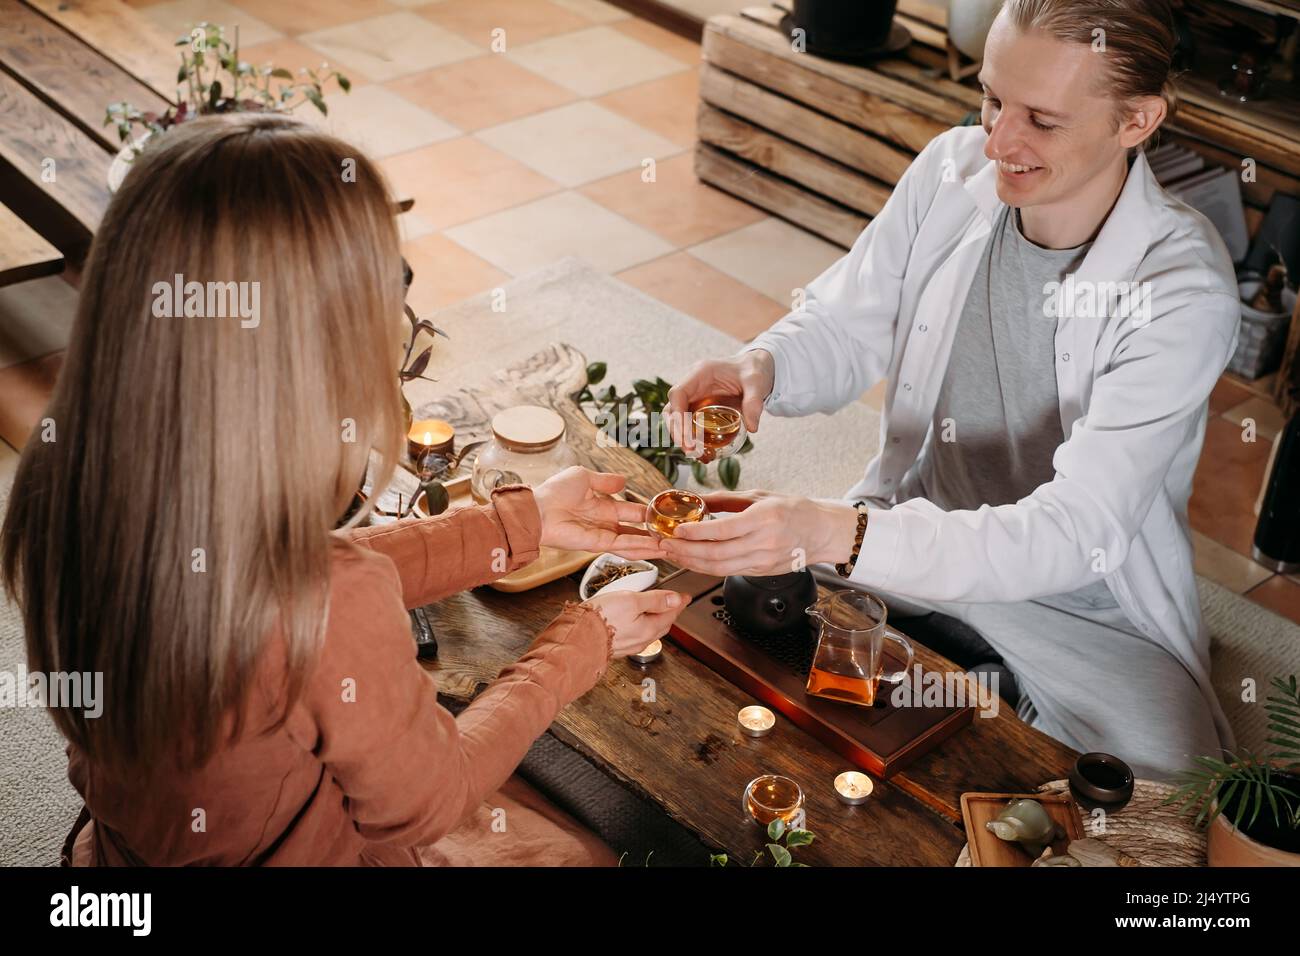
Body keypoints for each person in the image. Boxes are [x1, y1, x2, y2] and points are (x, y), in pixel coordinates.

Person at [1, 113, 687, 866]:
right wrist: (584, 638)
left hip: (122, 862)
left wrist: (521, 523)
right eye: (389, 286)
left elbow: (308, 581)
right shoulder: (326, 601)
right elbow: (429, 803)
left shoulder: (62, 475)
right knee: (586, 847)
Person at [662, 0, 1238, 779]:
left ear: (1137, 121)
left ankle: (979, 679)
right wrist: (763, 367)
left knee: (1170, 779)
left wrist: (837, 535)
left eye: (1042, 118)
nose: (999, 140)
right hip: (915, 528)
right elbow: (846, 319)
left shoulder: (1181, 290)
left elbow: (1073, 533)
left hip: (1078, 601)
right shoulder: (951, 168)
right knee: (709, 609)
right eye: (993, 97)